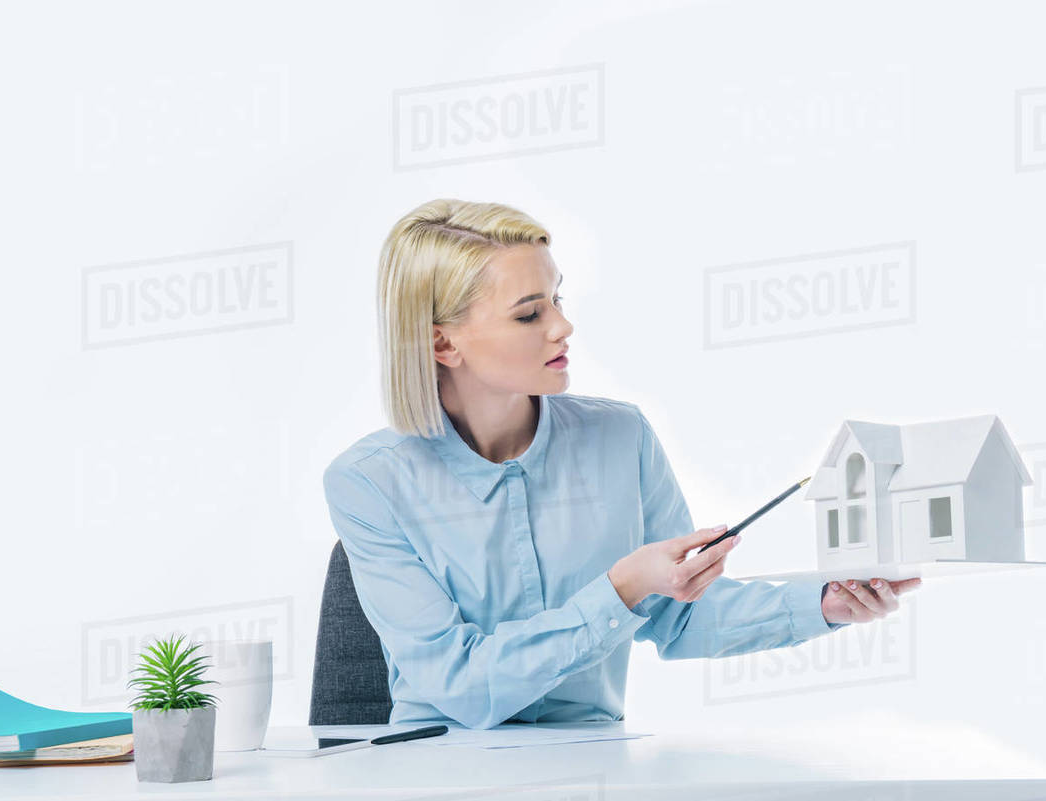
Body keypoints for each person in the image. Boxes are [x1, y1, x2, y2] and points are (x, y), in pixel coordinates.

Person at [322, 198, 920, 730]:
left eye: (557, 299)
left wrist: (823, 605)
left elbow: (680, 618)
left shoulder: (620, 436)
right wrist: (622, 588)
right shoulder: (369, 482)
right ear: (442, 343)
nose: (563, 326)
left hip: (595, 769)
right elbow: (463, 688)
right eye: (529, 314)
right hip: (441, 771)